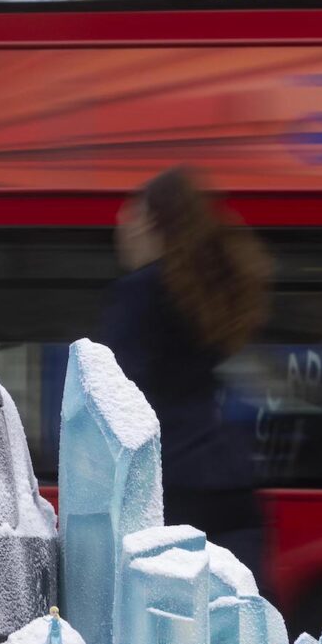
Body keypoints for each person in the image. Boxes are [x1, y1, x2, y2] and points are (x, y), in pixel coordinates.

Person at [99, 169, 274, 574]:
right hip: (231, 483)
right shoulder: (211, 291)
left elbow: (116, 397)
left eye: (130, 214)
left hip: (169, 486)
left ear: (150, 222)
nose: (121, 226)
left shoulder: (138, 293)